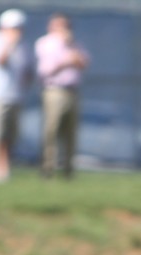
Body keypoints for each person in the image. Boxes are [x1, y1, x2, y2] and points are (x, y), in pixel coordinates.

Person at [0, 9, 34, 183]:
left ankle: (3, 170)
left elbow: (27, 72)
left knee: (9, 138)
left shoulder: (24, 46)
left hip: (15, 97)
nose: (17, 31)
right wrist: (9, 45)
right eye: (13, 27)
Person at [35, 12, 89, 179]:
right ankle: (47, 169)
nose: (63, 29)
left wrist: (70, 48)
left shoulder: (75, 45)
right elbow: (46, 70)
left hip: (72, 91)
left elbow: (83, 63)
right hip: (54, 91)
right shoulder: (45, 43)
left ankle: (68, 171)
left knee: (70, 133)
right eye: (59, 25)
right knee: (51, 131)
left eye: (65, 25)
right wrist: (66, 62)